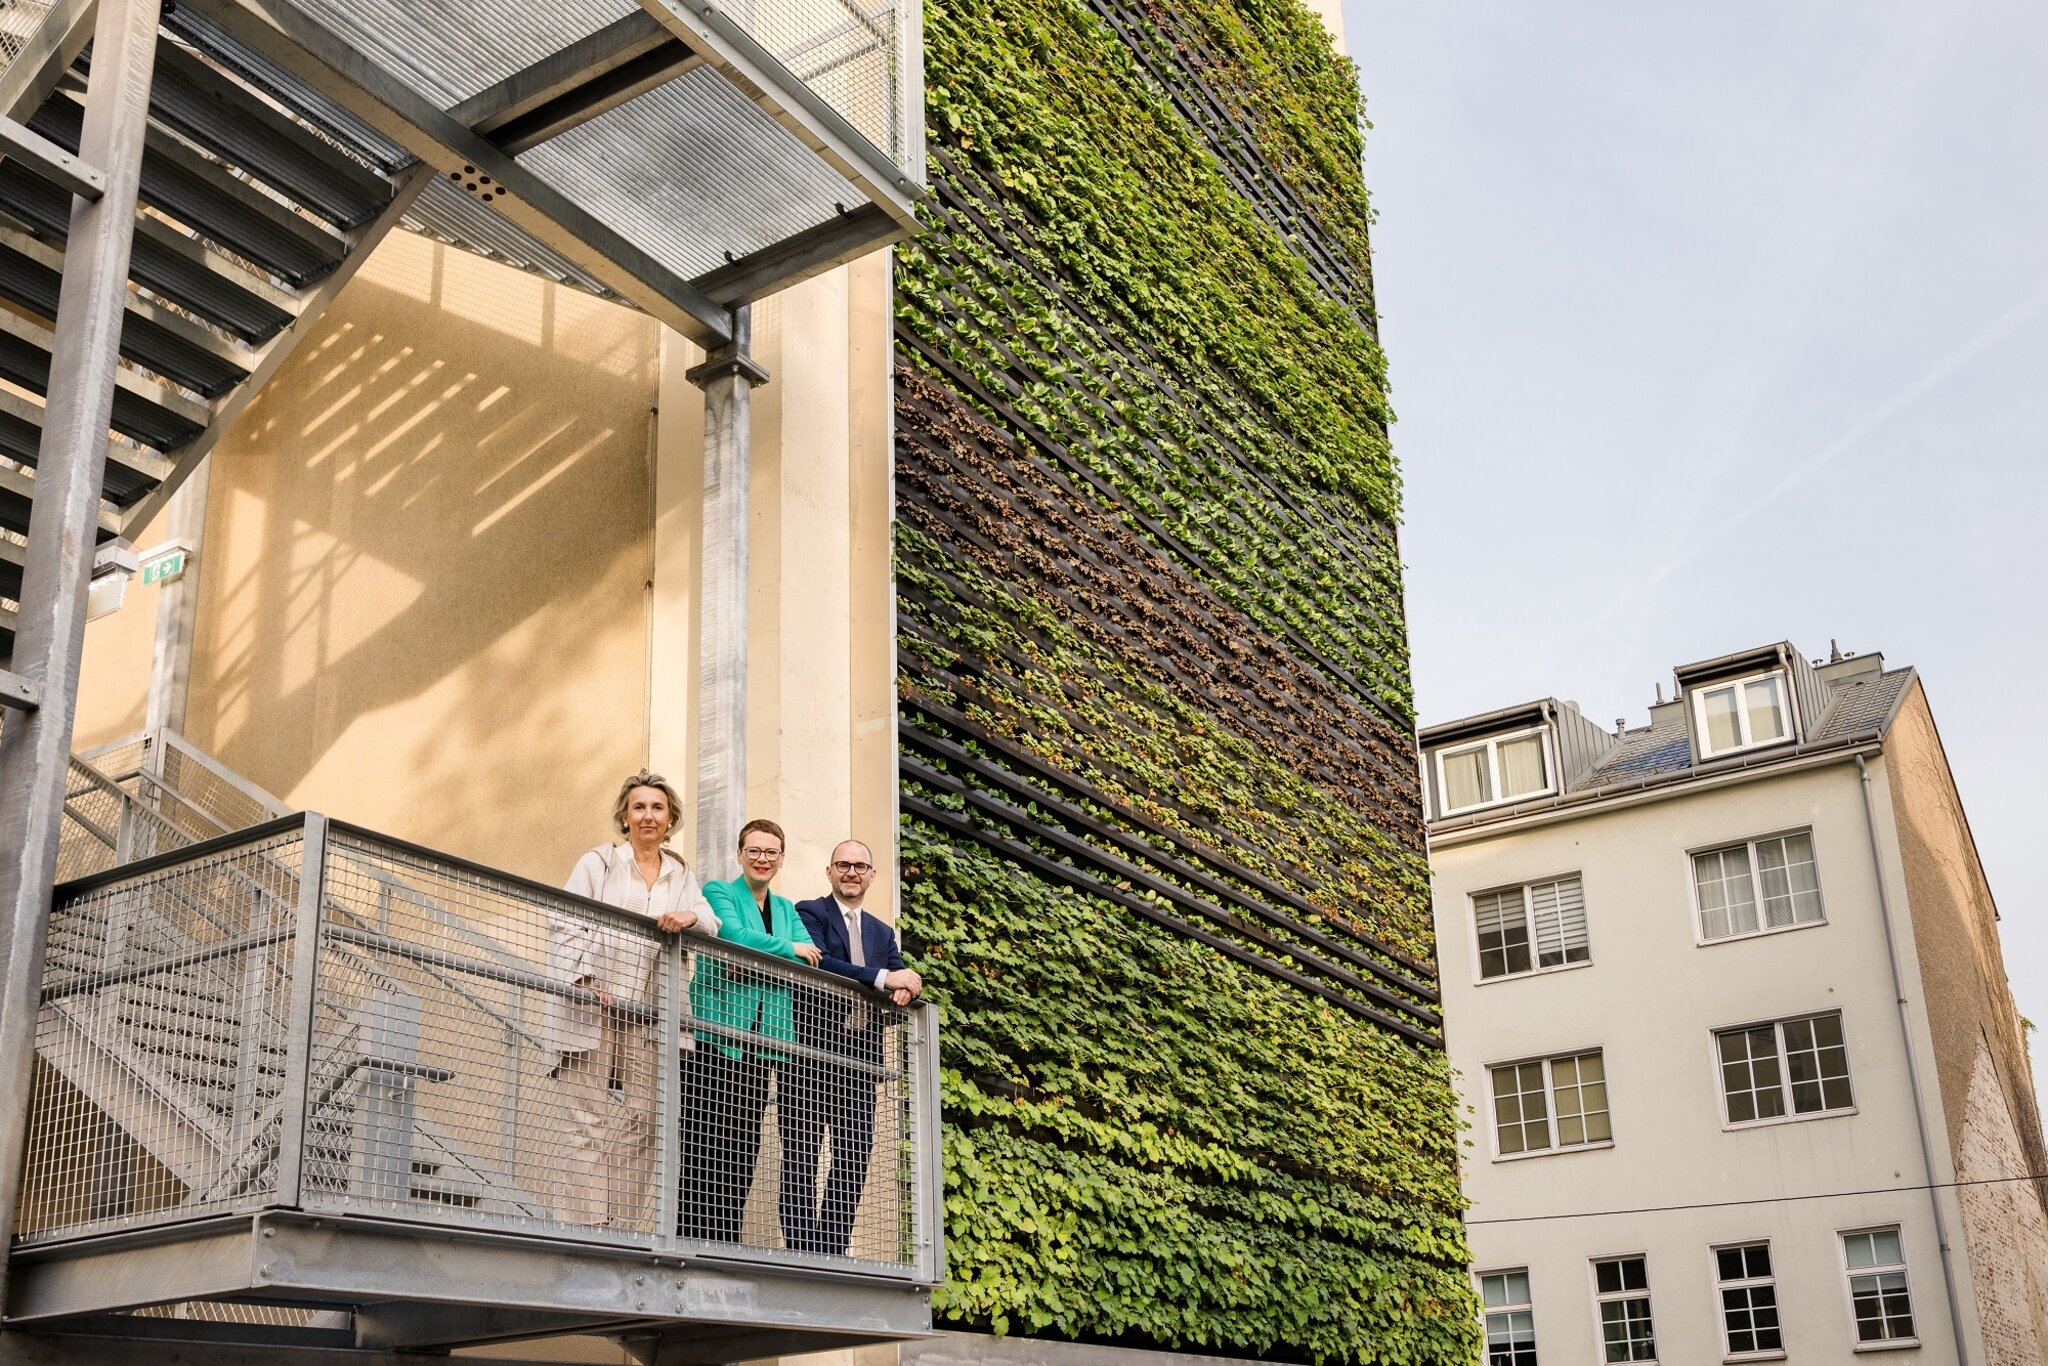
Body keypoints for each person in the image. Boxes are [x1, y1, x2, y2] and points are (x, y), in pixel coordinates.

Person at [544, 770, 719, 1230]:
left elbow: (710, 921)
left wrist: (689, 915)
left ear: (670, 818)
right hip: (591, 1007)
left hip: (647, 1015)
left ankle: (620, 1227)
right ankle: (585, 1226)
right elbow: (564, 921)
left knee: (647, 1118)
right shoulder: (599, 863)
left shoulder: (680, 873)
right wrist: (584, 980)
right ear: (624, 816)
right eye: (638, 807)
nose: (648, 815)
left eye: (657, 807)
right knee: (587, 1119)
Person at [682, 818, 822, 1242]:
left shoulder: (787, 909)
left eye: (771, 852)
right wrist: (784, 951)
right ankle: (690, 1239)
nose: (763, 859)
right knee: (702, 1143)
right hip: (716, 1036)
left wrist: (753, 962)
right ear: (740, 855)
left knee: (744, 1149)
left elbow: (810, 961)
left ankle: (726, 1244)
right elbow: (732, 936)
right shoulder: (718, 892)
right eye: (754, 851)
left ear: (782, 858)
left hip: (764, 1045)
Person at [783, 839, 923, 1256]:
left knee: (854, 1156)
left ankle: (833, 1251)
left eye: (860, 866)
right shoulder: (810, 912)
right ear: (829, 872)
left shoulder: (883, 932)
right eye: (843, 865)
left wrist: (907, 986)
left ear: (872, 876)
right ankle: (802, 1251)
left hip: (861, 1064)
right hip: (810, 1057)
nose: (851, 873)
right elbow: (821, 961)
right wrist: (884, 979)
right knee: (801, 1156)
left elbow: (898, 976)